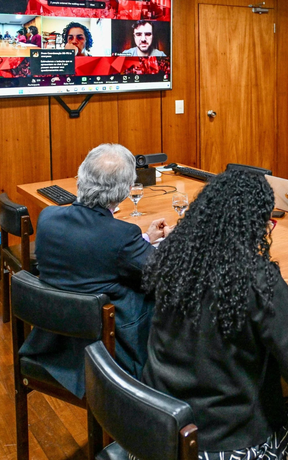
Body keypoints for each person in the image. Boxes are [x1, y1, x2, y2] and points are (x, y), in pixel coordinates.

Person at [142, 170, 288, 458]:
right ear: (255, 225)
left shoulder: (174, 257)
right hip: (222, 444)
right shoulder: (256, 279)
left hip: (156, 426)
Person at [19, 143, 172, 398]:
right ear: (125, 192)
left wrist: (145, 238)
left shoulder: (47, 218)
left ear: (80, 179)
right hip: (106, 351)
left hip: (53, 341)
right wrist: (174, 241)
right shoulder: (121, 237)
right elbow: (165, 272)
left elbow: (93, 254)